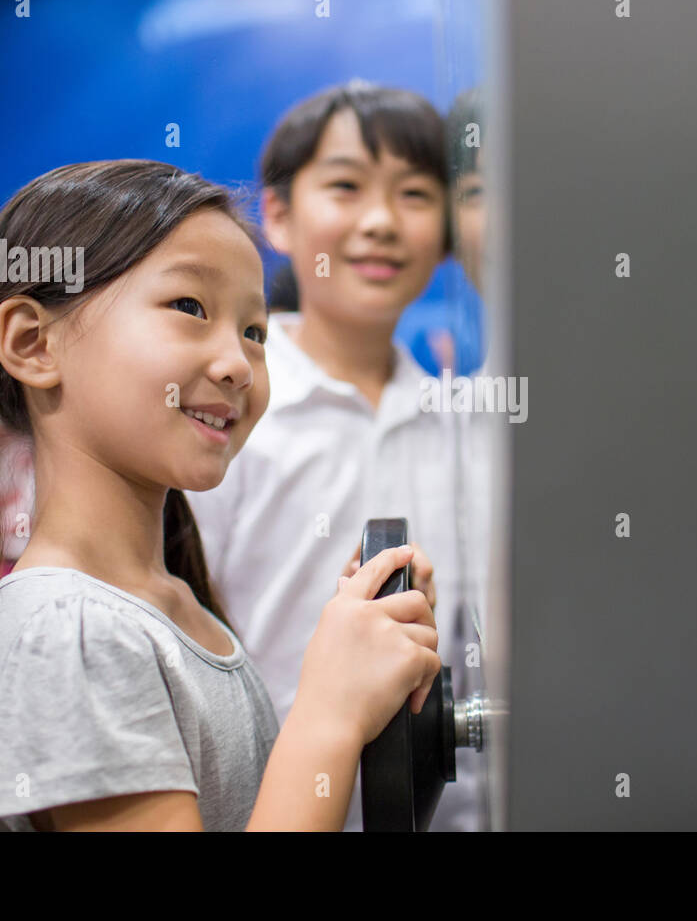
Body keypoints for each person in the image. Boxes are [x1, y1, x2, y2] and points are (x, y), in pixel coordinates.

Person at [0, 159, 442, 832]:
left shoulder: (176, 605)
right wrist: (330, 711)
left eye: (255, 332)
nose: (238, 364)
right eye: (189, 307)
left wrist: (362, 663)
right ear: (33, 343)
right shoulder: (70, 633)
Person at [186, 81, 487, 830]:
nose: (381, 222)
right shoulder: (224, 405)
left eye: (416, 196)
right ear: (280, 215)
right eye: (346, 187)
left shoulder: (463, 425)